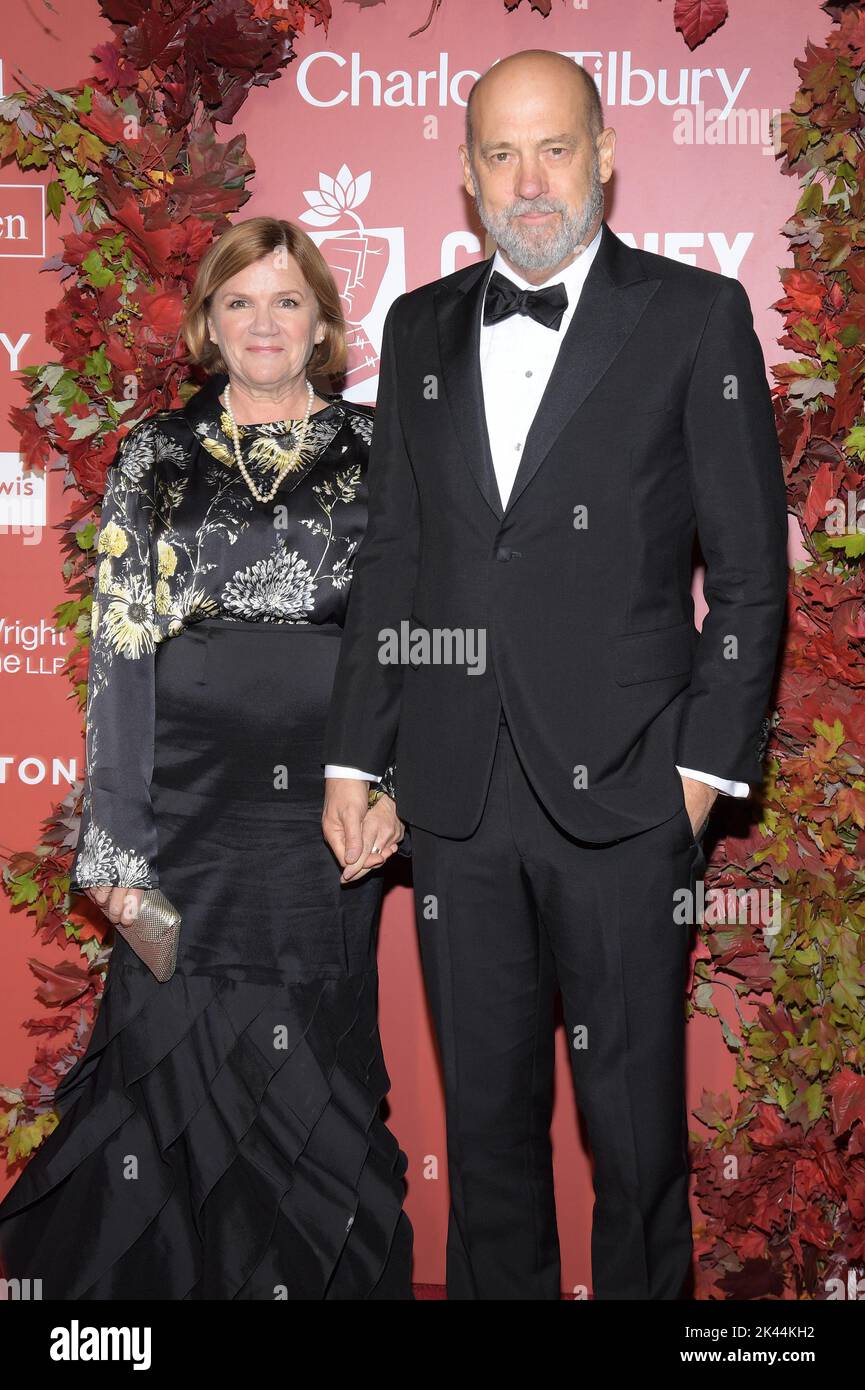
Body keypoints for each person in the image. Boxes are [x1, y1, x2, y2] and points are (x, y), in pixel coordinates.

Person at [322, 49, 788, 1299]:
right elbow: (394, 559)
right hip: (456, 798)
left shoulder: (695, 317)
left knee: (635, 1148)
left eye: (554, 148)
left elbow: (749, 575)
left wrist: (698, 777)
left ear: (606, 152)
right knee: (484, 1145)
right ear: (467, 175)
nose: (529, 182)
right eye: (499, 154)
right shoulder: (418, 323)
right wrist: (357, 756)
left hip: (631, 795)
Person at [0, 216, 413, 1300]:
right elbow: (122, 648)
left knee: (310, 1060)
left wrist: (391, 790)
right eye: (239, 301)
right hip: (180, 814)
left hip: (329, 816)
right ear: (206, 325)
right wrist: (116, 845)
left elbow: (414, 636)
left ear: (323, 319)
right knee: (168, 1055)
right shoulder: (156, 452)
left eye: (286, 300)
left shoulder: (386, 450)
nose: (264, 322)